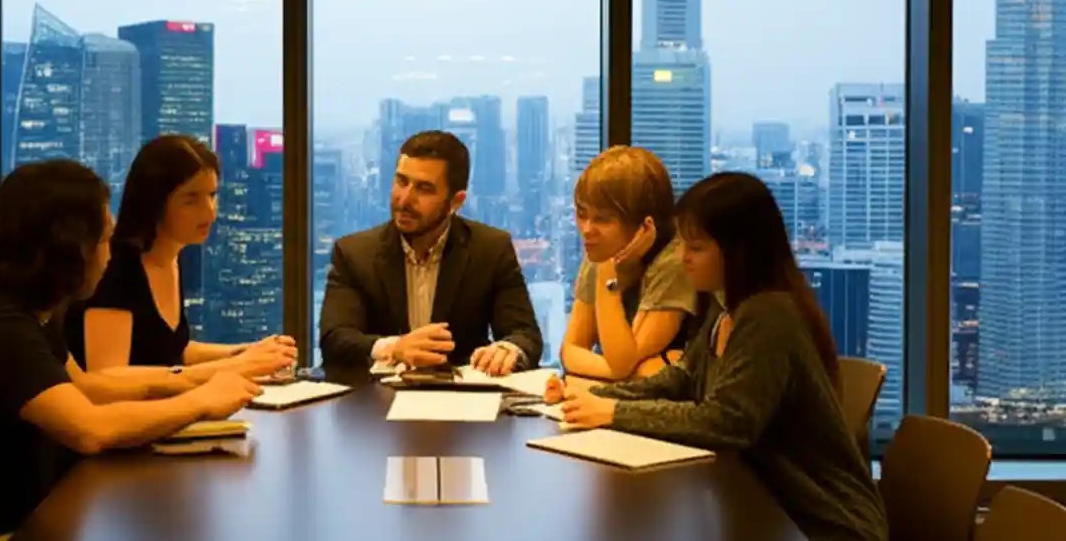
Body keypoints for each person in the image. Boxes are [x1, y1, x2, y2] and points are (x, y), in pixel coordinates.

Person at [0, 160, 262, 541]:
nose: (108, 256)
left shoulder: (20, 307)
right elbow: (88, 429)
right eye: (103, 242)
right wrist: (203, 400)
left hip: (9, 531)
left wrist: (194, 383)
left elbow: (86, 388)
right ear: (68, 247)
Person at [547, 172, 888, 541]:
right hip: (766, 513)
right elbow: (682, 379)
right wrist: (595, 398)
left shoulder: (768, 317)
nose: (682, 257)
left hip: (822, 532)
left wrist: (613, 413)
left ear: (737, 251)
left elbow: (726, 421)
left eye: (696, 247)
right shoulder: (727, 308)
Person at [66, 135, 296, 381]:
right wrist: (236, 366)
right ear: (155, 202)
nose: (209, 210)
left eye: (212, 195)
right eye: (191, 199)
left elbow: (170, 350)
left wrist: (245, 352)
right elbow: (108, 377)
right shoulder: (116, 270)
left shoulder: (175, 257)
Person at [319, 130, 542, 375]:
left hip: (461, 402)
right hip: (377, 403)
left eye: (424, 189)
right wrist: (395, 348)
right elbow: (335, 339)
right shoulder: (354, 253)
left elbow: (525, 335)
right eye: (401, 181)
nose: (404, 199)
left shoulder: (490, 249)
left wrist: (507, 350)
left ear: (456, 202)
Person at [561, 146, 697, 379]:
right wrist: (620, 373)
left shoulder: (675, 261)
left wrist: (608, 275)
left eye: (603, 219)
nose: (587, 229)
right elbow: (571, 351)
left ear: (644, 226)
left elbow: (622, 361)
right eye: (582, 214)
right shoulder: (601, 248)